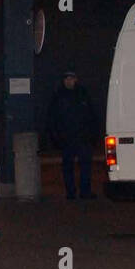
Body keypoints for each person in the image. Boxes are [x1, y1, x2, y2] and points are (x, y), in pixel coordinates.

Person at [47, 70, 99, 200]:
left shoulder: (82, 94)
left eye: (71, 78)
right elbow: (52, 118)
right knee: (68, 166)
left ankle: (85, 192)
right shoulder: (58, 96)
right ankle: (71, 192)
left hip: (82, 137)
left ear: (76, 79)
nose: (69, 81)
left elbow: (91, 115)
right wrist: (56, 137)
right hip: (67, 138)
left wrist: (92, 134)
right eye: (66, 79)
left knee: (85, 165)